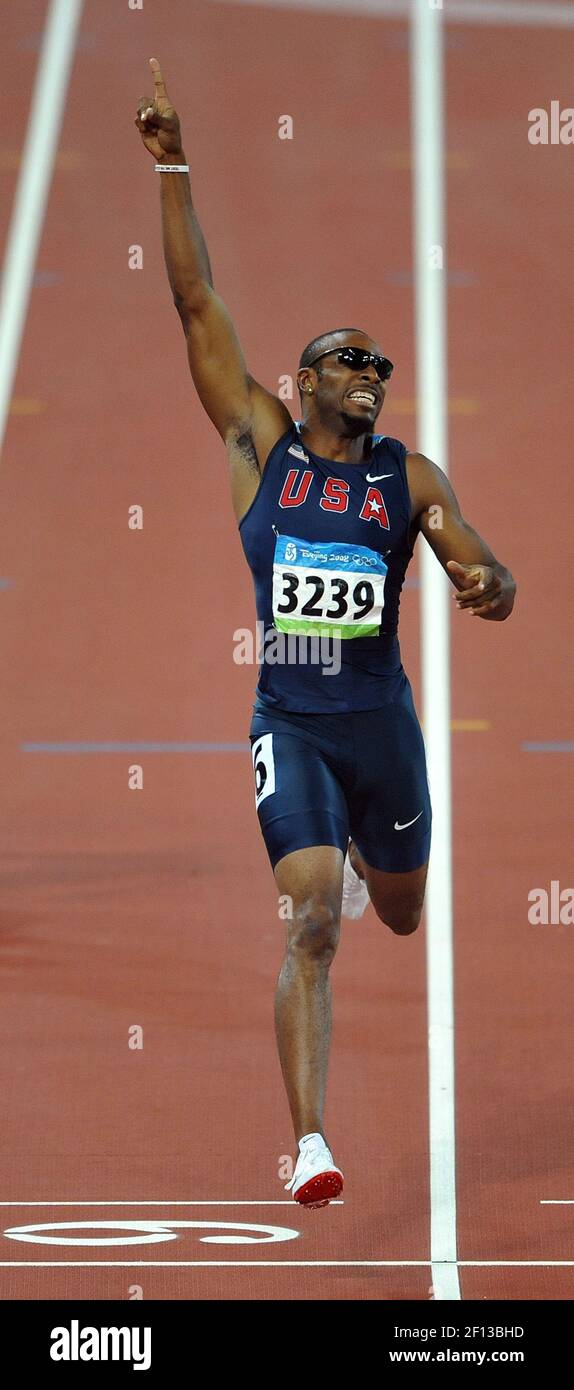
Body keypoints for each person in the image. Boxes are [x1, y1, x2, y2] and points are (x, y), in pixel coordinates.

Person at [135, 59, 516, 1211]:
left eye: (383, 368)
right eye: (353, 361)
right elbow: (197, 303)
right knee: (310, 921)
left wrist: (484, 585)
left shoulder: (409, 479)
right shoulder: (262, 446)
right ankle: (307, 1142)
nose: (374, 376)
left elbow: (478, 564)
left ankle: (368, 856)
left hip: (381, 728)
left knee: (395, 910)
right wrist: (174, 164)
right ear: (303, 382)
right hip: (290, 726)